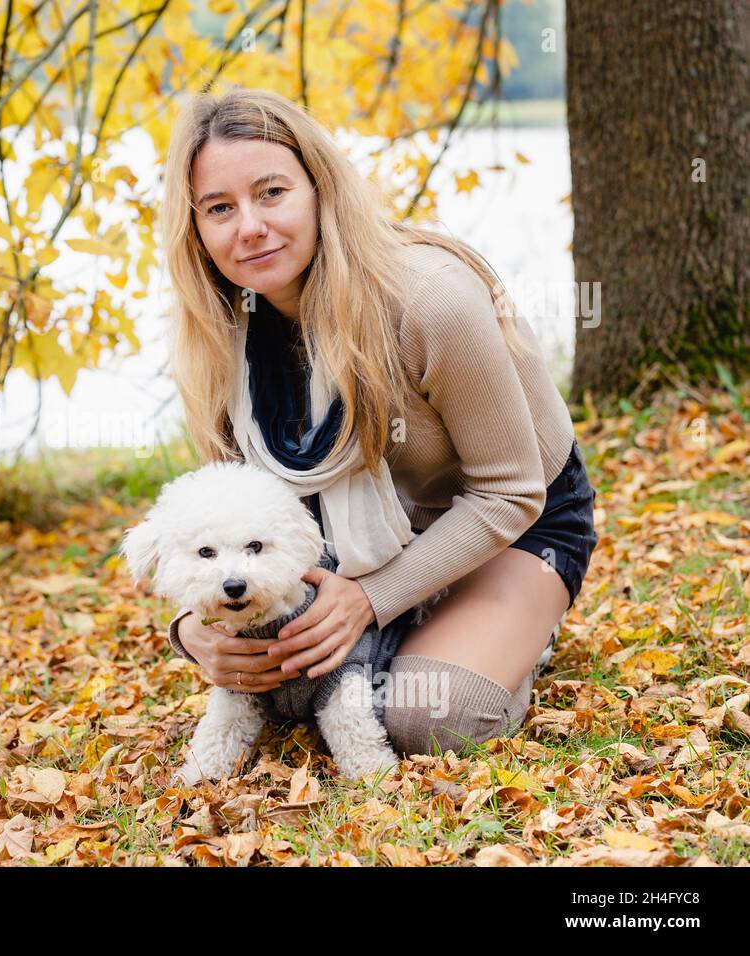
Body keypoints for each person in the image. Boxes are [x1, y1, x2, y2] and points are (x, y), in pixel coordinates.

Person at [158, 86, 599, 758]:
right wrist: (194, 631)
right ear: (195, 228)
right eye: (220, 208)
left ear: (319, 189)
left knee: (426, 717)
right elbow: (228, 517)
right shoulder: (217, 335)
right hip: (344, 545)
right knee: (301, 680)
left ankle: (518, 627)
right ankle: (398, 638)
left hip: (513, 526)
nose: (249, 226)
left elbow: (511, 492)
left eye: (272, 192)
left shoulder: (429, 299)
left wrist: (368, 599)